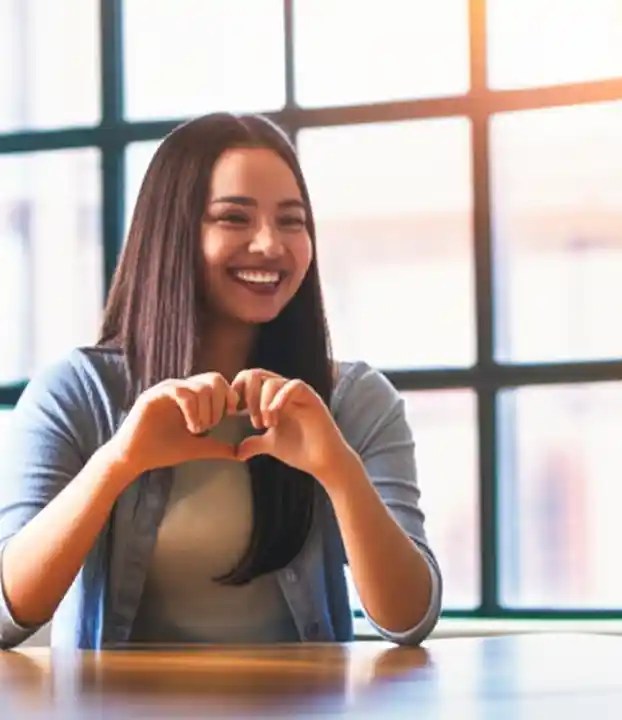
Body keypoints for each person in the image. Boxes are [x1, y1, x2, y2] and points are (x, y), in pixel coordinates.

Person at [0, 113, 441, 649]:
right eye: (234, 218)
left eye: (292, 221)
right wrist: (119, 463)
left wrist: (338, 470)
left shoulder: (355, 401)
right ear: (173, 232)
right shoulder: (75, 394)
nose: (270, 244)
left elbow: (410, 620)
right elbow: (7, 616)